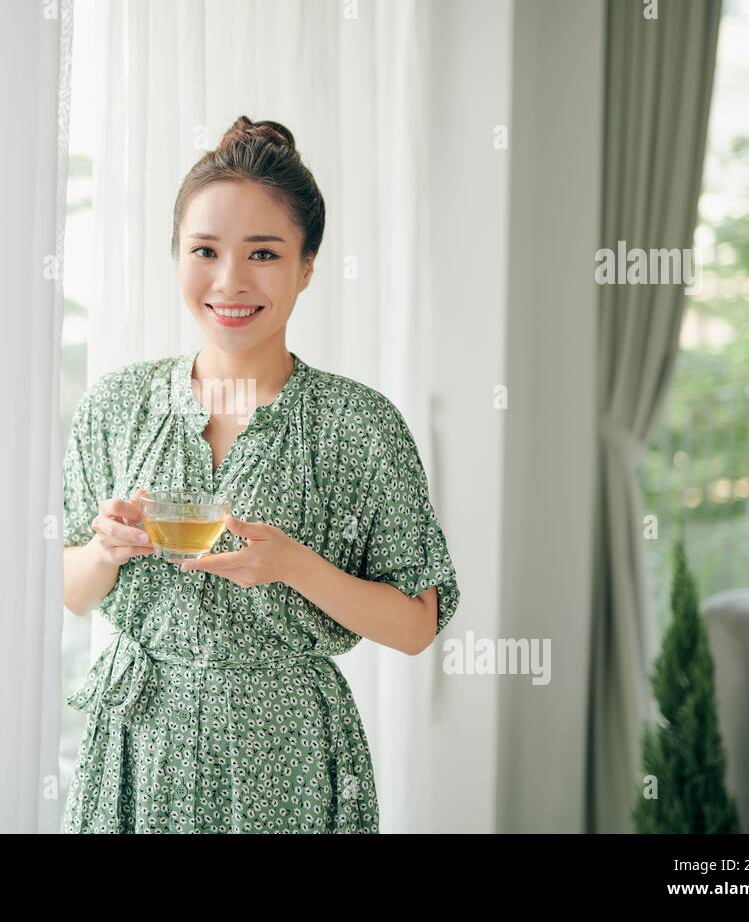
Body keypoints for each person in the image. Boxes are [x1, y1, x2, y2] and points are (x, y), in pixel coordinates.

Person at [60, 115, 460, 833]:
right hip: (137, 740)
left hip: (288, 757)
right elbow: (69, 589)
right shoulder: (117, 405)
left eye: (265, 254)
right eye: (204, 250)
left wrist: (294, 565)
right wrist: (105, 551)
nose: (229, 282)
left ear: (308, 266)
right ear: (176, 255)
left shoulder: (357, 426)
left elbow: (416, 625)